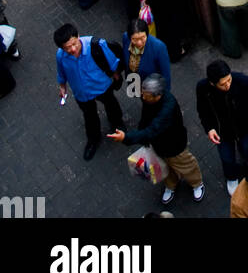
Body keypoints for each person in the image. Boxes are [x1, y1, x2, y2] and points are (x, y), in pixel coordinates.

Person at [108, 73, 204, 206]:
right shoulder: (149, 98)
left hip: (174, 145)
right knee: (165, 166)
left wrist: (127, 137)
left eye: (145, 95)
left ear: (157, 96)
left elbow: (153, 129)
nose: (142, 97)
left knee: (186, 165)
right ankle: (171, 184)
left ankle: (197, 183)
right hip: (158, 144)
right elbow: (146, 118)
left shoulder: (167, 108)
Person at [54, 21, 124, 160]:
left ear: (78, 36)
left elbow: (112, 63)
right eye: (67, 47)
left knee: (111, 105)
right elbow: (61, 72)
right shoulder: (60, 56)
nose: (73, 49)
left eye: (74, 44)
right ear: (62, 47)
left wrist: (116, 76)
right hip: (82, 93)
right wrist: (62, 86)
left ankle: (117, 124)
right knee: (89, 116)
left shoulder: (96, 45)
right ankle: (94, 140)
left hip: (102, 86)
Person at [196, 60, 248, 194]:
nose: (228, 85)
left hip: (244, 127)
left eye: (229, 80)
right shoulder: (203, 88)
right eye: (223, 84)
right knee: (227, 158)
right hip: (222, 131)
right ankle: (232, 177)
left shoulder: (243, 82)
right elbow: (203, 111)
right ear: (212, 83)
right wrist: (209, 128)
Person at [123, 19, 171, 90]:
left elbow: (166, 76)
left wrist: (164, 94)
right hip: (134, 78)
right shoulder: (125, 37)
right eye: (135, 39)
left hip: (150, 87)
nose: (139, 43)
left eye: (142, 38)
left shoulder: (159, 47)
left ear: (147, 35)